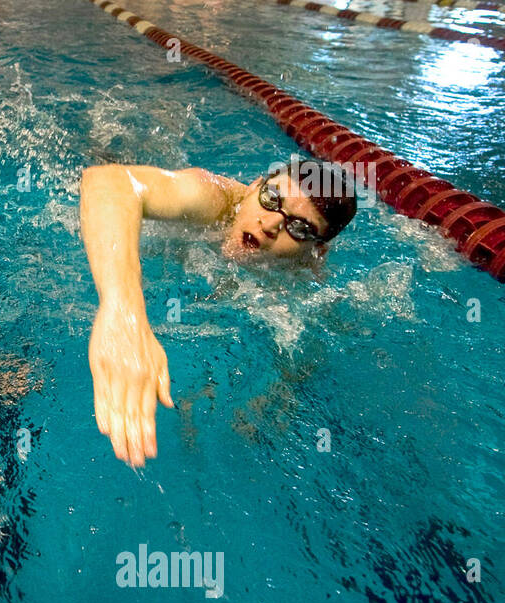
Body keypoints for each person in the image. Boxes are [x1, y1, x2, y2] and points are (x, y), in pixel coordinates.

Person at [79, 159, 357, 468]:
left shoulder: (307, 284)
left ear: (316, 251)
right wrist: (122, 309)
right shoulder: (214, 199)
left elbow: (307, 349)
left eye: (298, 228)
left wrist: (271, 394)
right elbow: (107, 180)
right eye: (271, 199)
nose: (269, 225)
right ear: (253, 186)